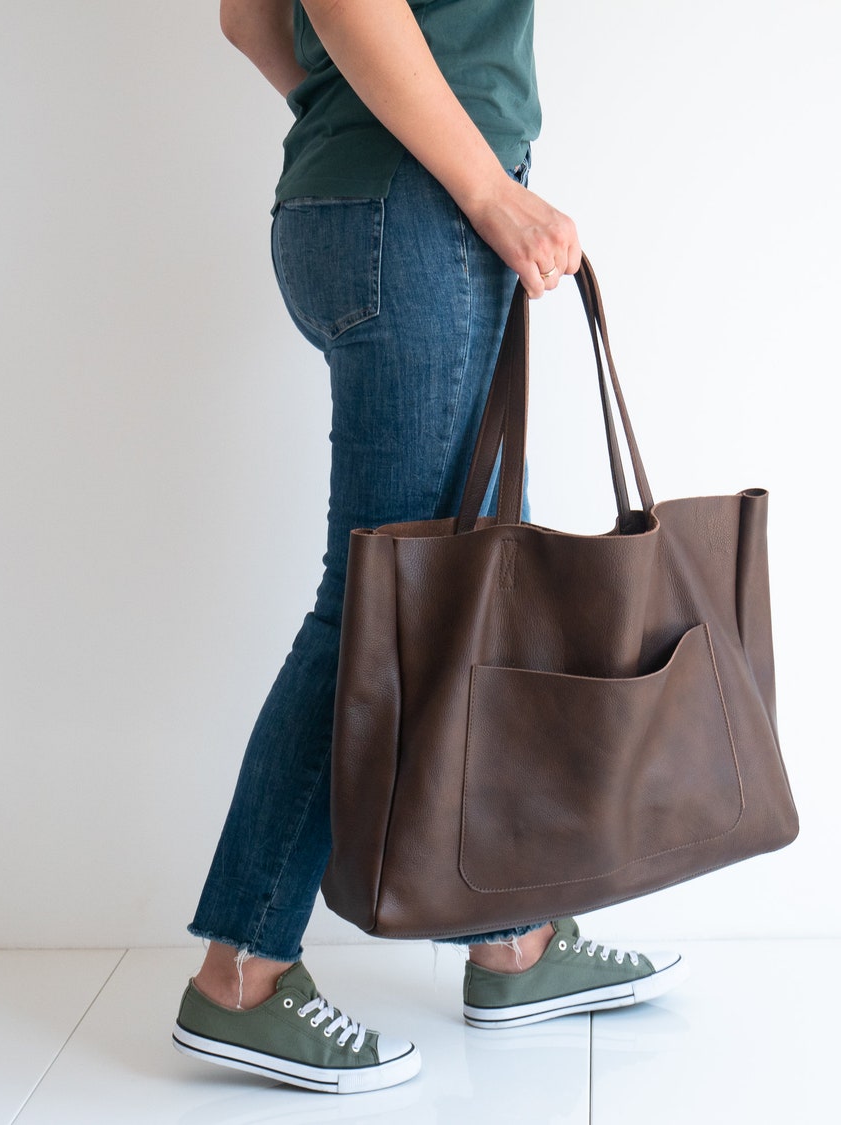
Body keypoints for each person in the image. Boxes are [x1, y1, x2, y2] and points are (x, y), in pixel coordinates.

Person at [171, 0, 687, 1095]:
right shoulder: (452, 188)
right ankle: (241, 975)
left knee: (469, 591)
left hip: (368, 198)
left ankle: (513, 939)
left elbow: (247, 16)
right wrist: (485, 186)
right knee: (384, 607)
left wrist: (377, 121)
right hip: (425, 209)